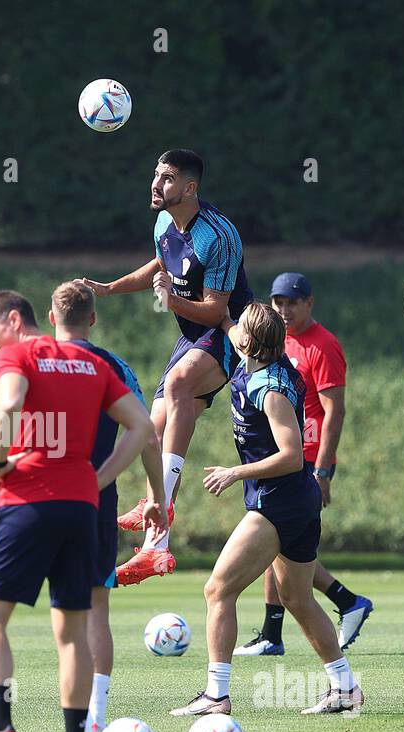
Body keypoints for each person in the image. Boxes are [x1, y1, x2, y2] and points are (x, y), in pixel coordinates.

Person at [0, 290, 164, 732]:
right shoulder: (92, 363)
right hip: (82, 506)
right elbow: (142, 430)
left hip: (28, 500)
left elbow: (8, 405)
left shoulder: (19, 354)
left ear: (15, 319)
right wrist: (101, 478)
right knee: (73, 631)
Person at [170, 303, 363, 718]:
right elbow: (221, 316)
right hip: (293, 501)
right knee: (297, 598)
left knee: (218, 589)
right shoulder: (254, 362)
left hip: (280, 502)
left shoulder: (269, 388)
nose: (233, 330)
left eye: (240, 328)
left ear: (250, 342)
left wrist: (235, 472)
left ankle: (216, 695)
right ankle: (345, 687)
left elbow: (293, 456)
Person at [80, 148, 253, 585]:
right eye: (156, 175)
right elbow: (161, 263)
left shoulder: (220, 236)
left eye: (169, 178)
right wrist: (110, 288)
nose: (157, 185)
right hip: (191, 336)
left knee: (176, 385)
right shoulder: (163, 222)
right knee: (148, 430)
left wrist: (170, 300)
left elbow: (216, 311)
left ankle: (165, 504)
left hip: (229, 334)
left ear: (190, 188)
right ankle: (156, 547)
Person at [237, 272, 374, 656]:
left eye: (292, 302)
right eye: (278, 302)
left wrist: (324, 468)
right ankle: (340, 605)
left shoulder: (323, 345)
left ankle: (280, 631)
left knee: (276, 541)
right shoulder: (273, 341)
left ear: (309, 303)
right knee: (276, 544)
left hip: (303, 456)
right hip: (282, 451)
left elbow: (335, 411)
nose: (284, 309)